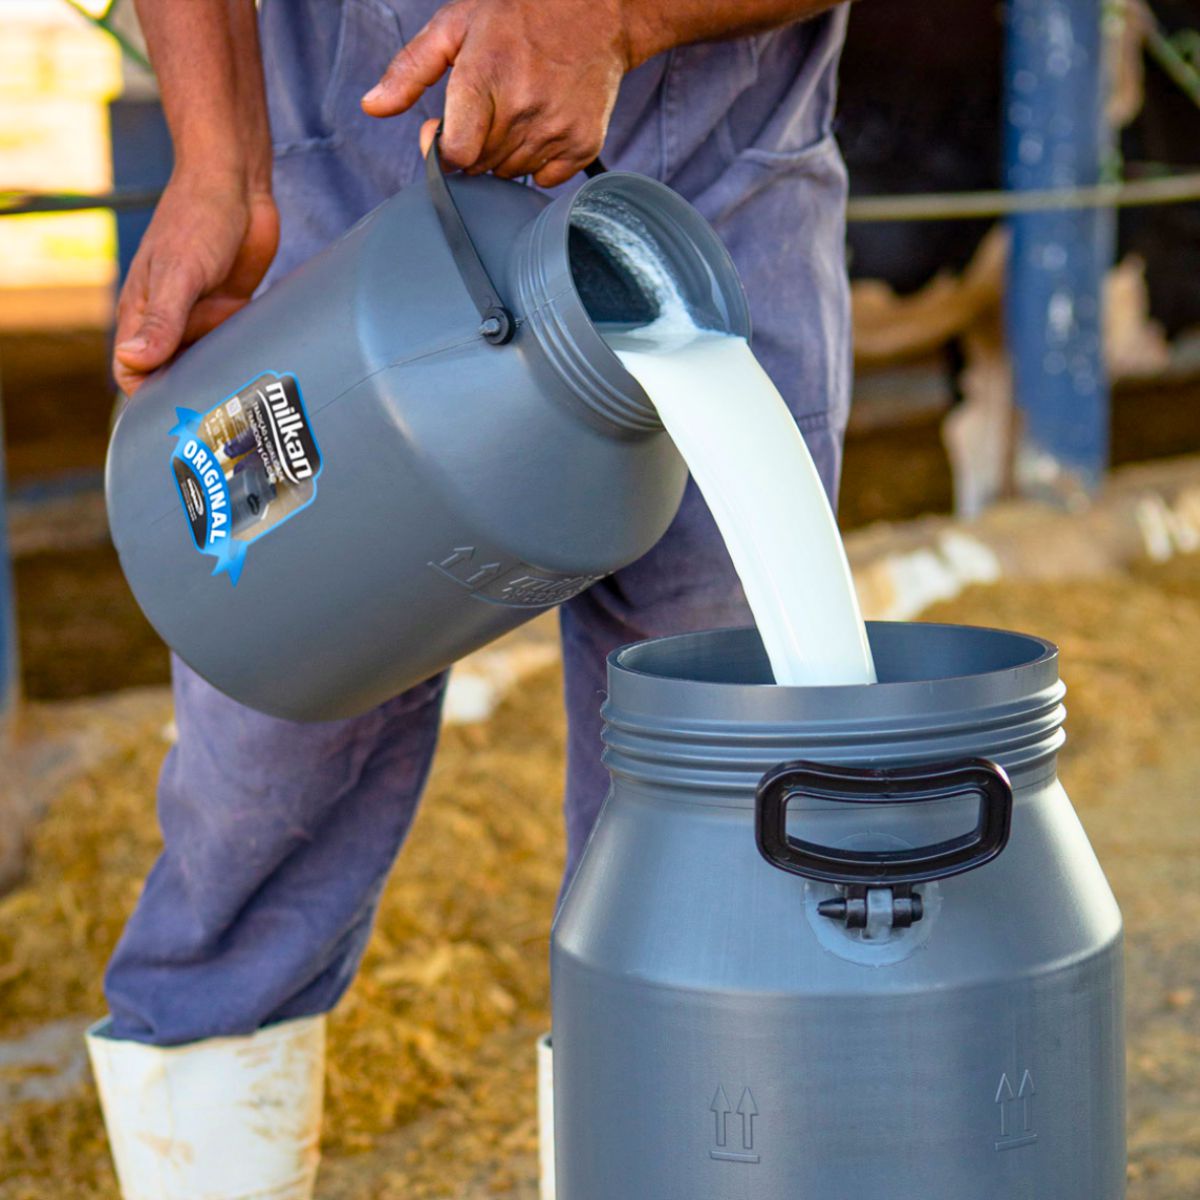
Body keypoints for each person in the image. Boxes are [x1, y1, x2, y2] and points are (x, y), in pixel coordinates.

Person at [89, 1, 855, 1196]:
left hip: (710, 200)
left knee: (719, 808)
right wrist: (216, 156)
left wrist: (621, 17)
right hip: (347, 169)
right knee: (271, 753)